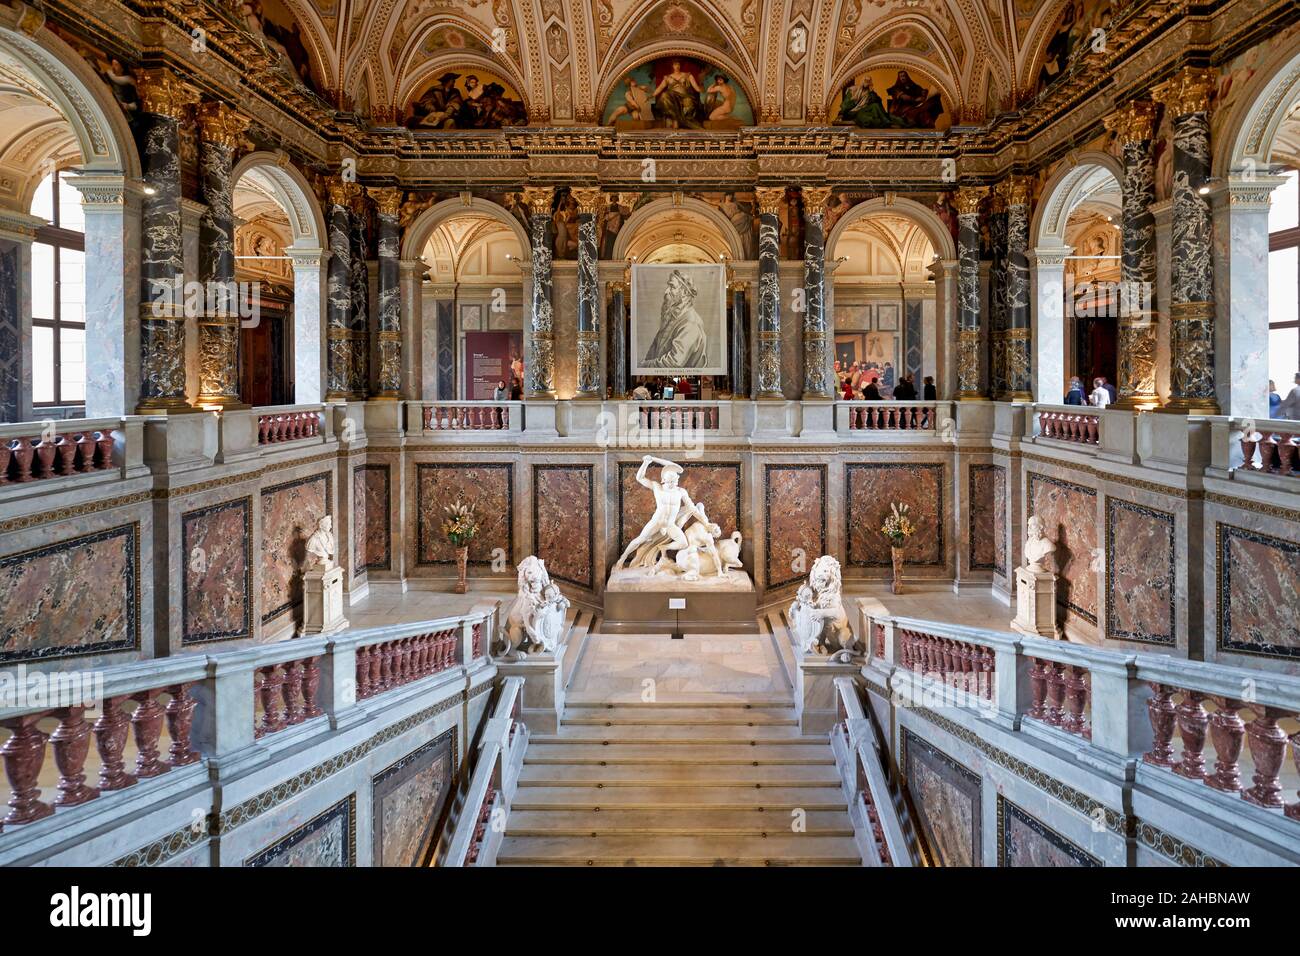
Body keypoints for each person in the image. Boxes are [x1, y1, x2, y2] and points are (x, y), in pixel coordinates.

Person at [642, 269, 708, 369]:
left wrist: (644, 366)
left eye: (672, 286)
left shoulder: (690, 322)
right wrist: (644, 365)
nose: (666, 291)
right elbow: (654, 350)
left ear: (684, 292)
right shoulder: (671, 317)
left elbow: (674, 362)